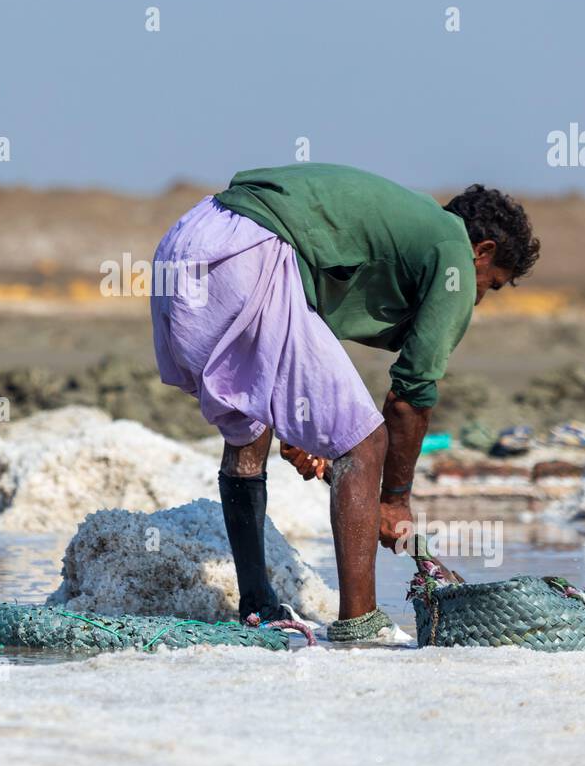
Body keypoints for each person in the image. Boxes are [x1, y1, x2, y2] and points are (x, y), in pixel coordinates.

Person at [151, 163, 539, 641]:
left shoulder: (399, 226)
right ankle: (360, 622)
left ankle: (257, 606)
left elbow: (302, 354)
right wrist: (393, 502)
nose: (479, 300)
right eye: (491, 284)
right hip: (250, 251)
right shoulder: (453, 251)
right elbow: (409, 397)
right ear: (484, 251)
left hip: (188, 243)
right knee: (365, 442)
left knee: (250, 429)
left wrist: (301, 430)